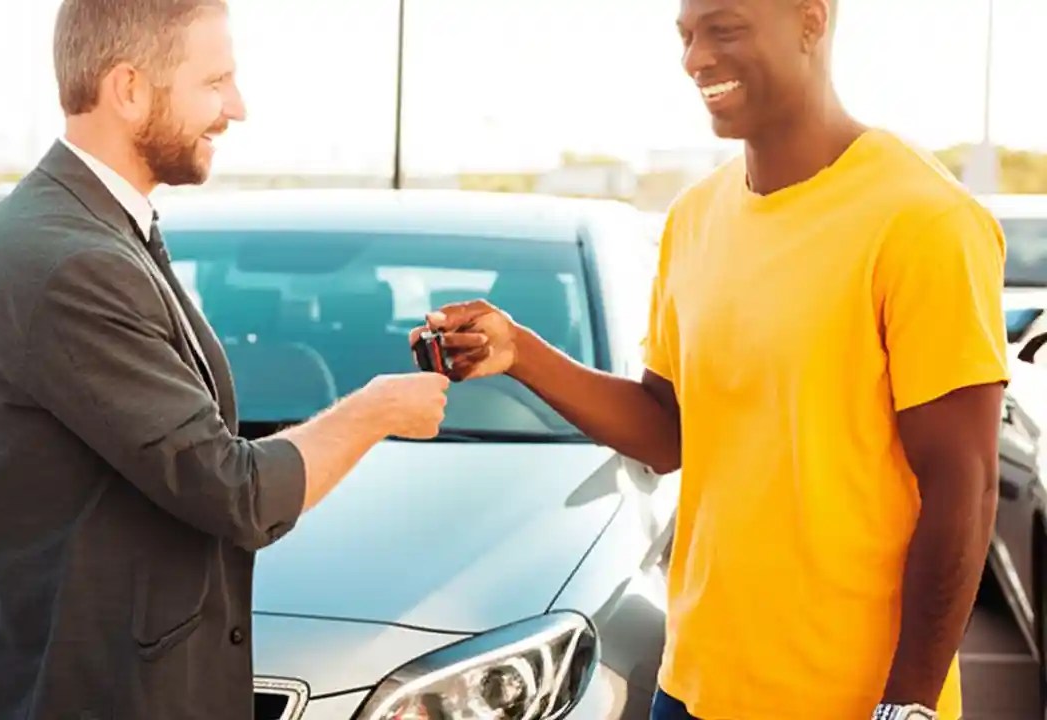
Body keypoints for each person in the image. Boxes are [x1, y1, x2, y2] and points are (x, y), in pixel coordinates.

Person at [417, 1, 1007, 719]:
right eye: (687, 35)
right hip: (692, 685)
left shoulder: (924, 219)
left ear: (812, 22)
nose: (696, 58)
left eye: (724, 29)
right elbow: (668, 431)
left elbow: (964, 486)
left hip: (849, 701)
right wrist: (520, 353)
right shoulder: (696, 218)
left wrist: (908, 704)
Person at [0, 1, 449, 718]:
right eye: (216, 81)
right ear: (128, 89)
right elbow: (235, 492)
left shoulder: (80, 224)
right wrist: (378, 409)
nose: (236, 108)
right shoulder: (73, 258)